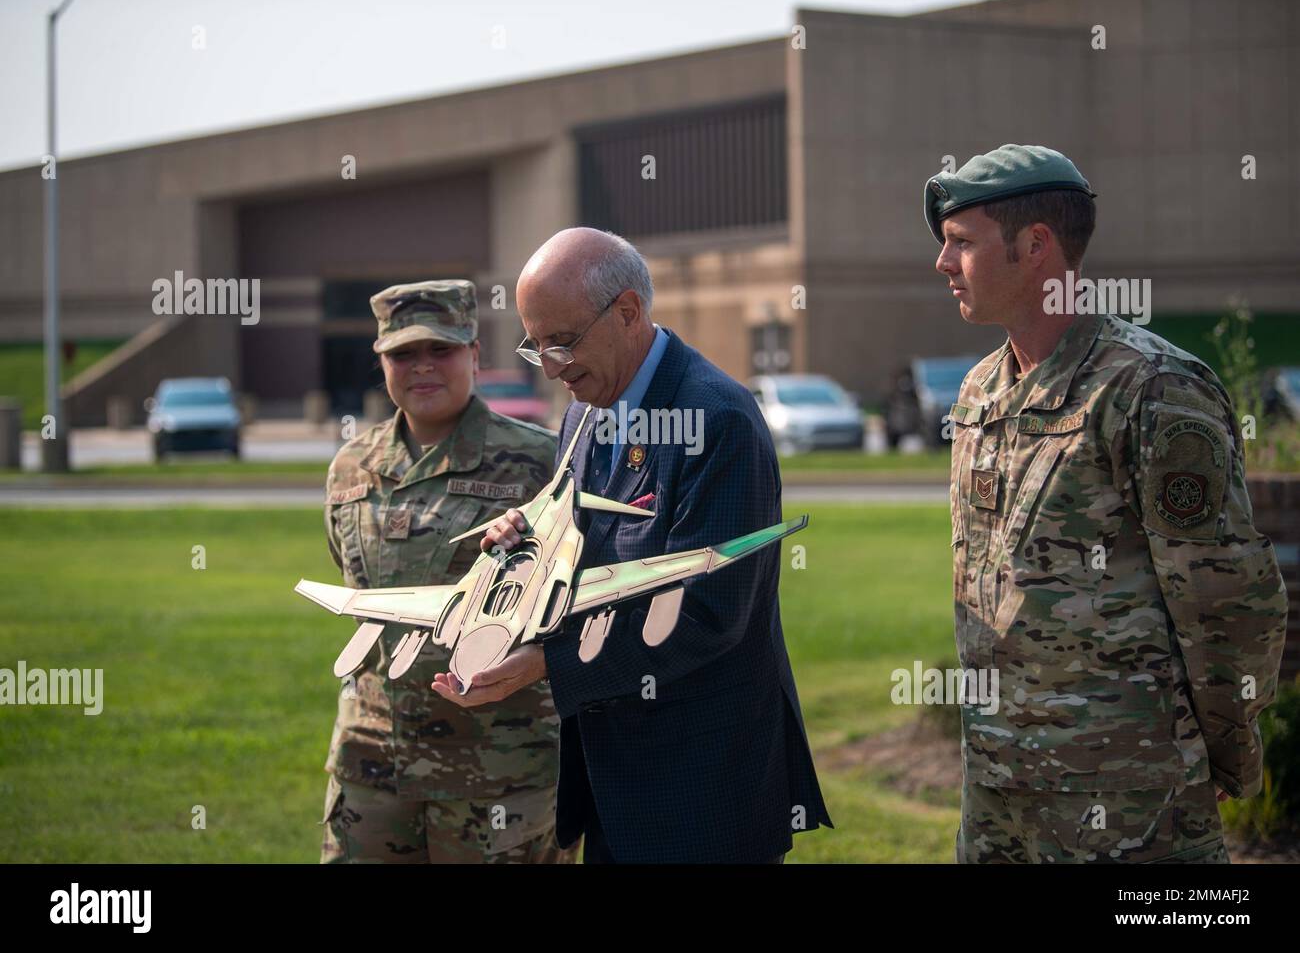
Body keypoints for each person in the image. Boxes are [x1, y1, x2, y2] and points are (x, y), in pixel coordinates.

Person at [926, 144, 1288, 863]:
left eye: (961, 243)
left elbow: (1225, 600)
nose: (943, 264)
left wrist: (1225, 755)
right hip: (998, 791)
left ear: (1035, 247)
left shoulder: (1152, 389)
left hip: (1128, 798)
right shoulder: (979, 393)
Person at [429, 228, 832, 863]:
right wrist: (522, 545)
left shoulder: (716, 419)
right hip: (611, 779)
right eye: (537, 347)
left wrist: (545, 664)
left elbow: (706, 614)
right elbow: (587, 552)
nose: (554, 366)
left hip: (701, 790)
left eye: (562, 341)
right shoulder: (584, 412)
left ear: (627, 312)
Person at [318, 279, 576, 864]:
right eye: (404, 354)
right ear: (382, 361)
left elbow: (578, 608)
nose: (422, 367)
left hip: (500, 775)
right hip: (372, 765)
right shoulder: (351, 467)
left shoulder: (542, 462)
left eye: (442, 350)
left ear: (476, 355)